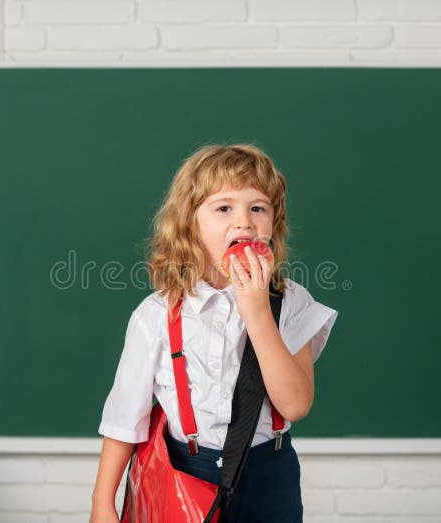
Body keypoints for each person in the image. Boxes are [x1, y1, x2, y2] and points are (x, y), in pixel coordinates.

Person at [90, 143, 338, 522]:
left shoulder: (291, 302)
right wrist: (102, 503)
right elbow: (126, 418)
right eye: (224, 208)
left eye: (258, 208)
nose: (244, 222)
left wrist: (256, 312)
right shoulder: (156, 315)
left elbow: (296, 405)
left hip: (270, 477)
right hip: (188, 474)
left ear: (274, 224)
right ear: (191, 223)